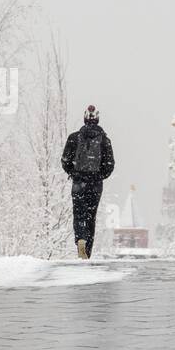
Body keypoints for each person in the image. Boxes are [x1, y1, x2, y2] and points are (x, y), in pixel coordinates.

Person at [61, 105, 115, 259]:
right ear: (97, 119)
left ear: (84, 119)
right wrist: (99, 176)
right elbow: (110, 164)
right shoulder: (105, 140)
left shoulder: (74, 137)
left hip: (79, 183)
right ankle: (88, 251)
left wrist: (74, 173)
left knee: (79, 214)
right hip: (95, 184)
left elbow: (65, 160)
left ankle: (80, 239)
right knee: (91, 215)